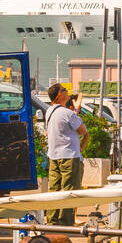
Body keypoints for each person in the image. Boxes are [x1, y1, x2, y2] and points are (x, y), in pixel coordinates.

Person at [45, 82, 87, 227]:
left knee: (54, 189)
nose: (67, 91)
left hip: (53, 155)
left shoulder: (49, 111)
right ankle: (66, 222)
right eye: (64, 90)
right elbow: (82, 131)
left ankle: (52, 220)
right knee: (70, 189)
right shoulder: (67, 113)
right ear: (59, 95)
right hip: (69, 155)